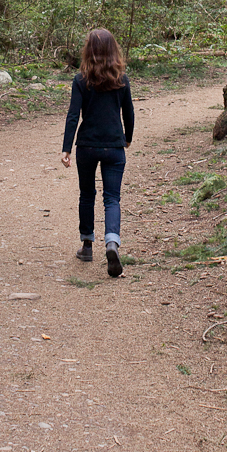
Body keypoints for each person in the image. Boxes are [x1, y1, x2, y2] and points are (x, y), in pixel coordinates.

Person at [61, 27, 134, 278]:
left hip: (87, 147)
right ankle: (112, 242)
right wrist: (127, 139)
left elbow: (73, 115)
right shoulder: (121, 79)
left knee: (87, 194)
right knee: (112, 198)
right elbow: (129, 113)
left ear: (88, 51)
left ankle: (87, 245)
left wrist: (66, 148)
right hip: (114, 146)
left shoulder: (81, 80)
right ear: (114, 50)